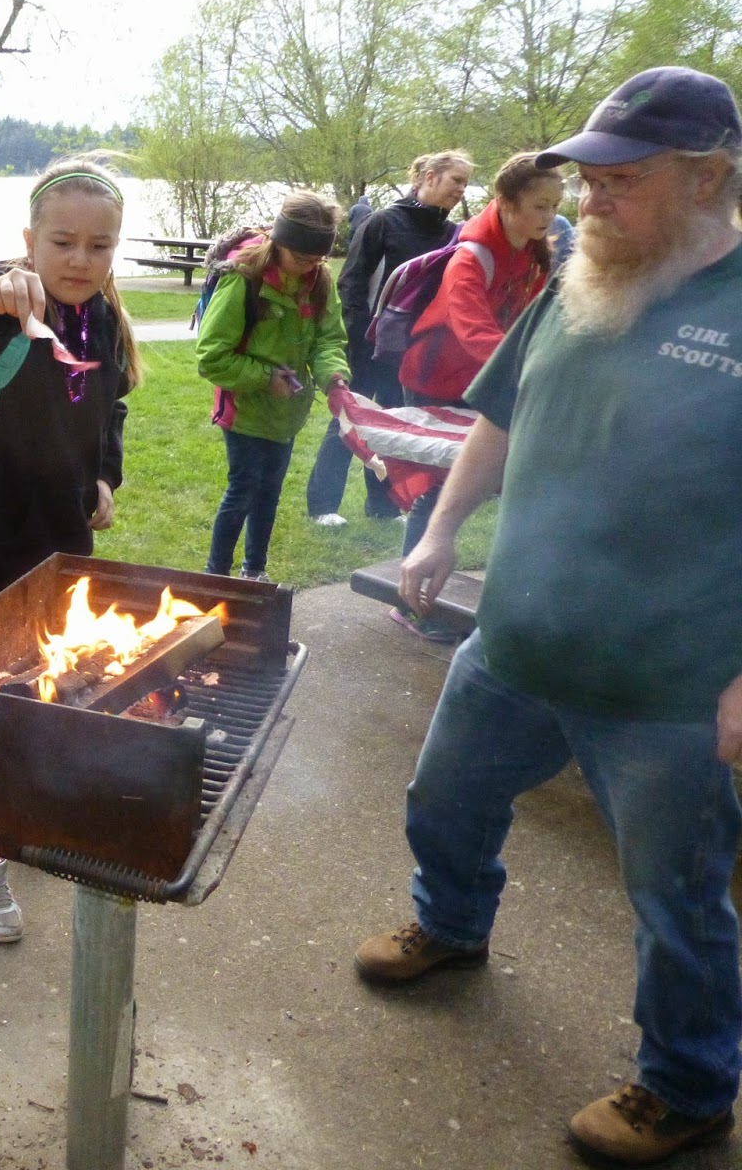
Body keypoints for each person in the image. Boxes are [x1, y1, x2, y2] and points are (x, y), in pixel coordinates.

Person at [354, 66, 742, 1167]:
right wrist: (435, 534)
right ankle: (451, 923)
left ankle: (687, 1086)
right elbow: (502, 416)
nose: (588, 198)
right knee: (447, 798)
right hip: (517, 641)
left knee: (677, 903)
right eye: (582, 177)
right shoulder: (580, 278)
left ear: (708, 178)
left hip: (662, 687)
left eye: (620, 178)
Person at [0, 156, 141, 943]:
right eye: (62, 243)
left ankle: (30, 816)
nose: (80, 260)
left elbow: (108, 414)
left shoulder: (105, 321)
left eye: (99, 246)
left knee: (58, 687)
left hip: (65, 547)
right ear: (30, 240)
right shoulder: (0, 307)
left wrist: (105, 477)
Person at [389, 152, 563, 642]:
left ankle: (491, 595)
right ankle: (412, 601)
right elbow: (473, 330)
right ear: (505, 203)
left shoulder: (531, 248)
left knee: (492, 480)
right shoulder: (472, 255)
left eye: (554, 206)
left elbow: (530, 319)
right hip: (436, 377)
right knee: (439, 487)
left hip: (483, 380)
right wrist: (525, 370)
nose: (548, 217)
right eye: (539, 206)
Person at [306, 150, 472, 526]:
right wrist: (362, 337)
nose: (461, 190)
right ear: (429, 177)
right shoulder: (383, 222)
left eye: (464, 183)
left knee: (396, 425)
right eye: (455, 180)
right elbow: (351, 282)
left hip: (414, 350)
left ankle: (382, 504)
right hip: (368, 344)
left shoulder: (451, 233)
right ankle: (323, 506)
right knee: (349, 419)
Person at [198, 192, 349, 579]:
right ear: (279, 242)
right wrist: (267, 379)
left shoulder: (319, 279)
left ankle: (254, 573)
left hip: (288, 415)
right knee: (242, 494)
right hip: (246, 412)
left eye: (318, 259)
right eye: (302, 258)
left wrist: (334, 376)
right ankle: (216, 575)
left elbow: (328, 339)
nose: (310, 267)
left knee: (269, 496)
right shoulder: (242, 280)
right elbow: (212, 356)